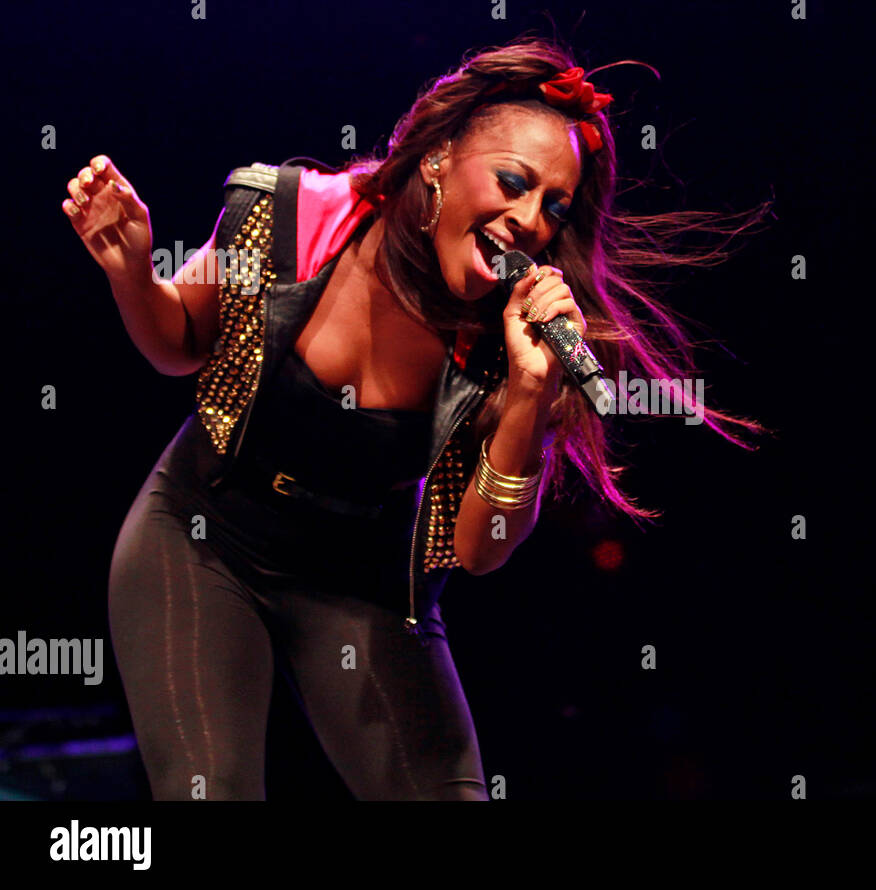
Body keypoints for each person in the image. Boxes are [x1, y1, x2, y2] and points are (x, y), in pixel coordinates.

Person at [62, 35, 769, 801]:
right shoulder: (300, 214)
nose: (529, 220)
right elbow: (180, 343)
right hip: (203, 538)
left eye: (553, 206)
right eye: (513, 182)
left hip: (363, 584)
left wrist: (529, 393)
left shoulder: (507, 341)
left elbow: (479, 552)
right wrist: (133, 273)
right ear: (437, 158)